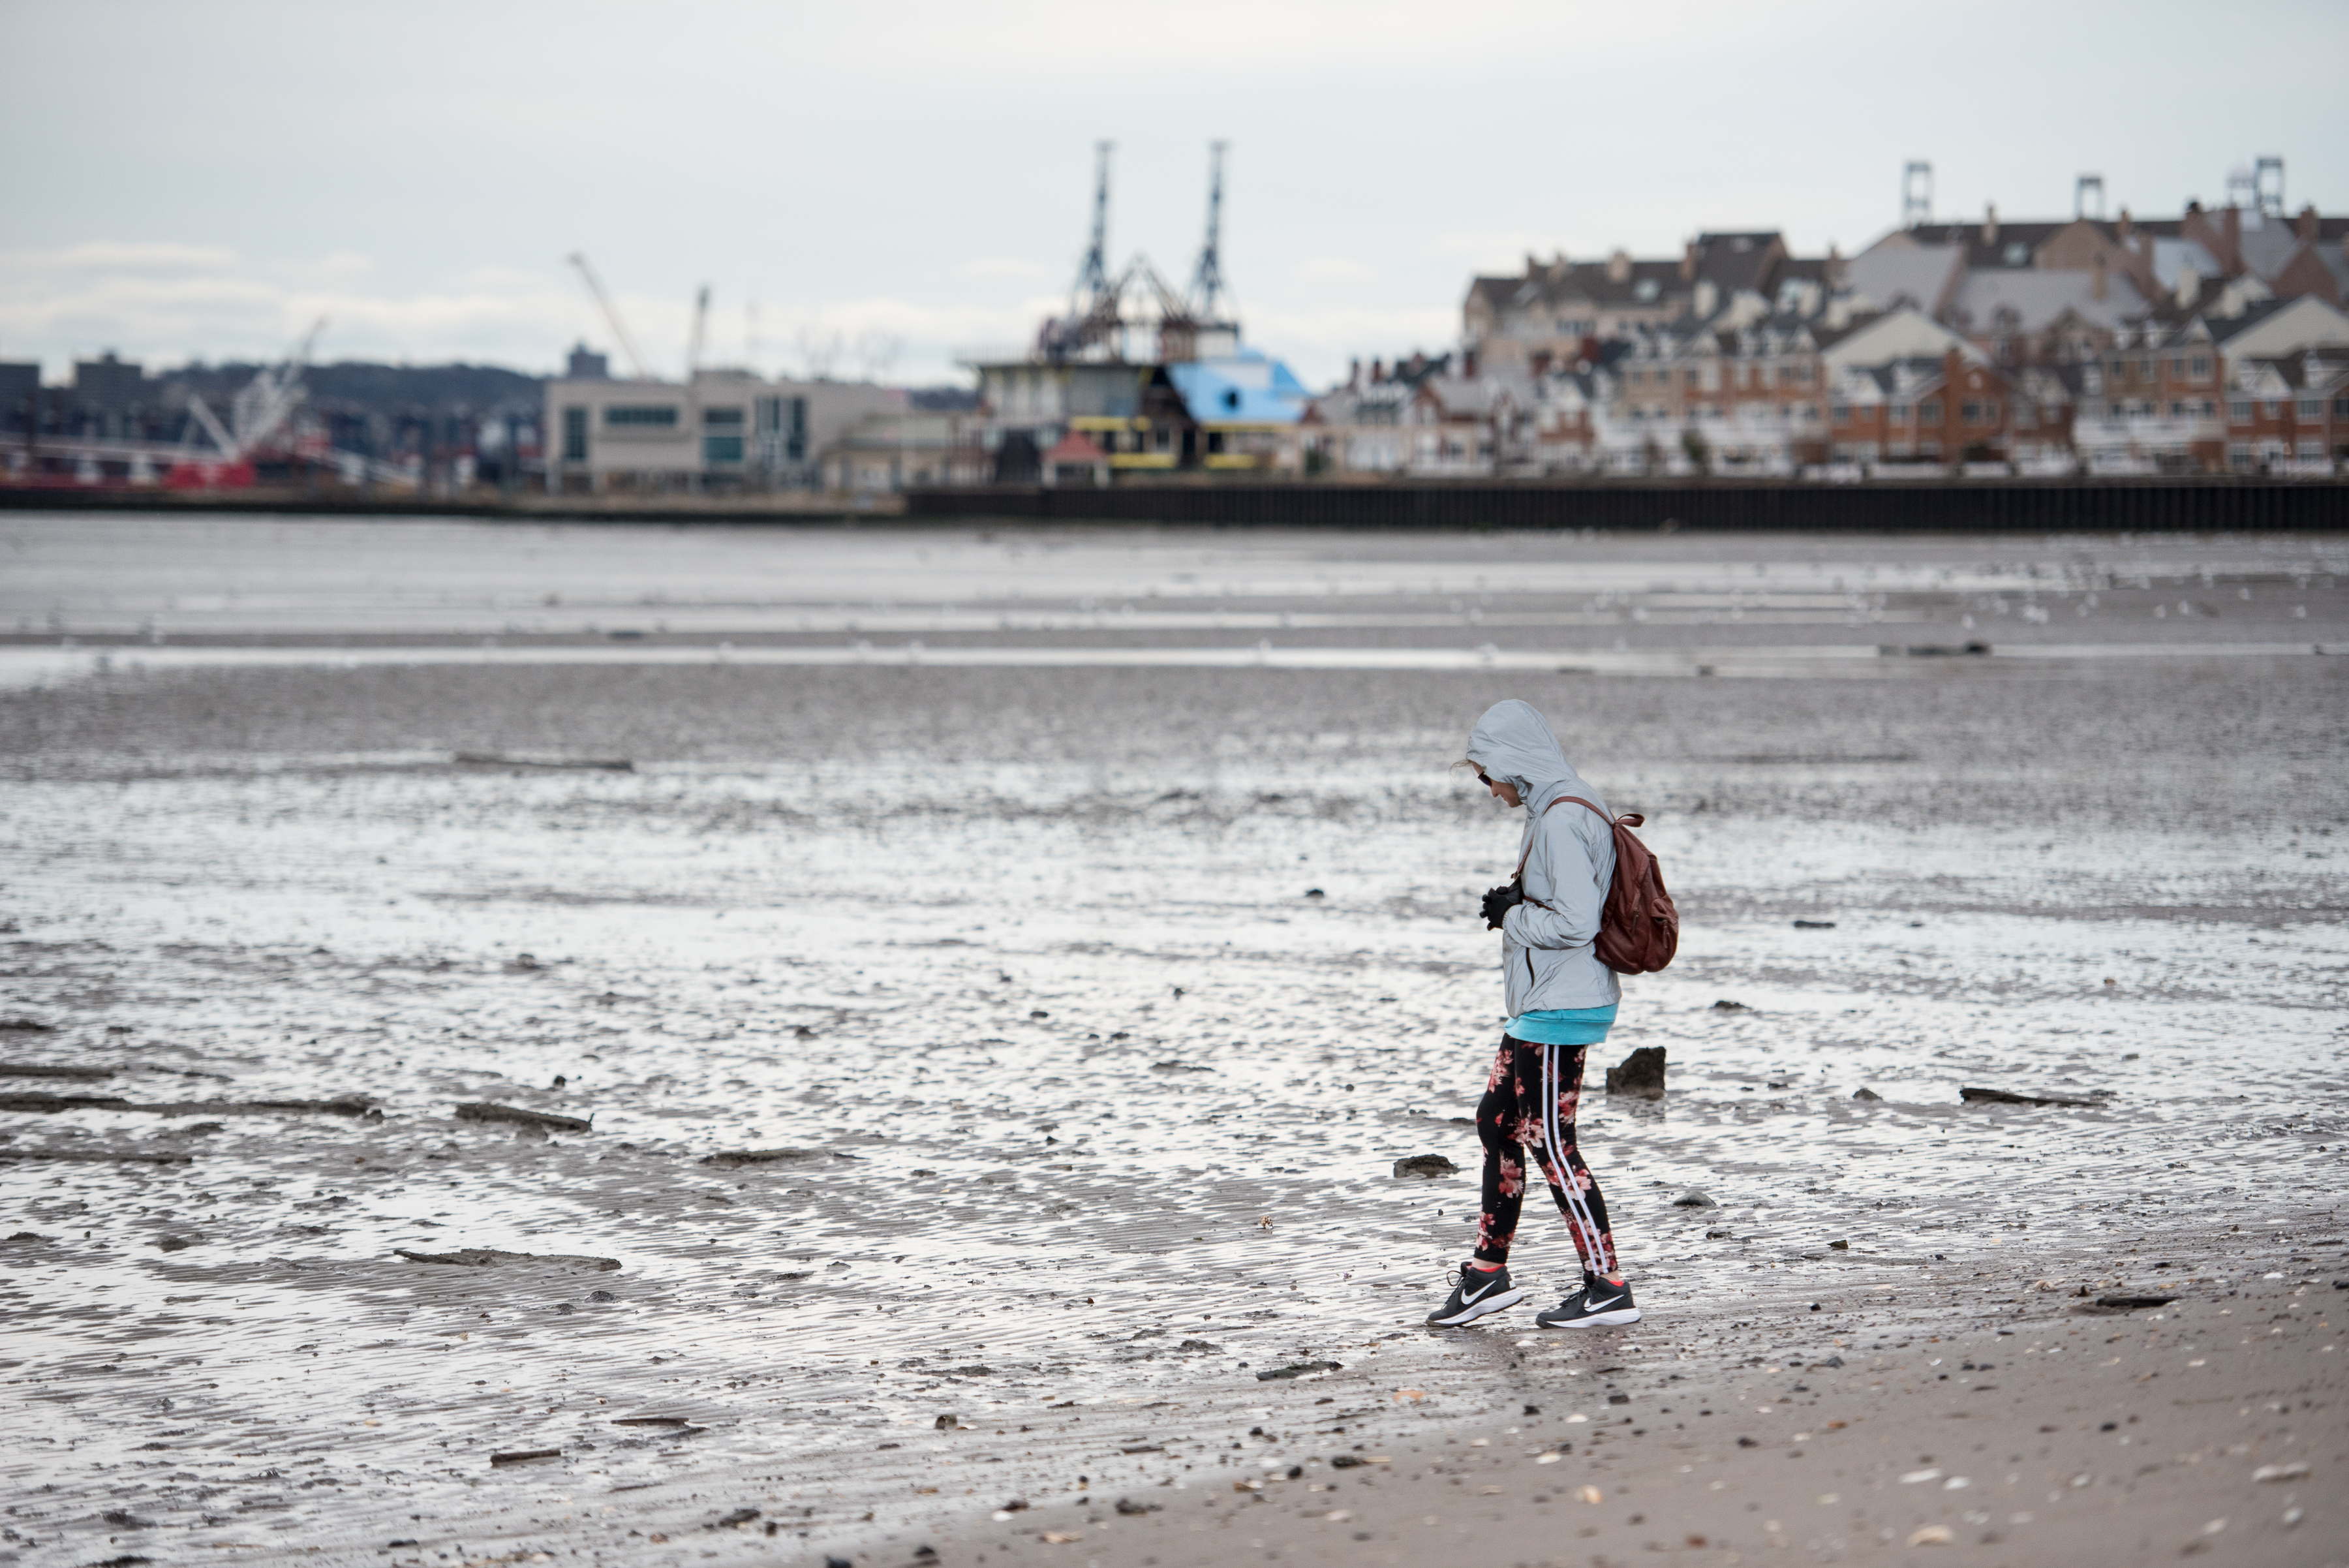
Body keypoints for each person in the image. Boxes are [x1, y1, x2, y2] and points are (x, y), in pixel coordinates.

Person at [1425, 698, 1640, 1330]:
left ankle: (1607, 1287)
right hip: (1542, 1004)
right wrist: (1521, 900)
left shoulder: (1559, 821)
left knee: (1551, 1142)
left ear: (1512, 763)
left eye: (1484, 773)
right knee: (1497, 1122)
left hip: (1560, 1006)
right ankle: (1488, 1276)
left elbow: (1574, 921)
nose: (1487, 789)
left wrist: (1512, 914)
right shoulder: (1559, 805)